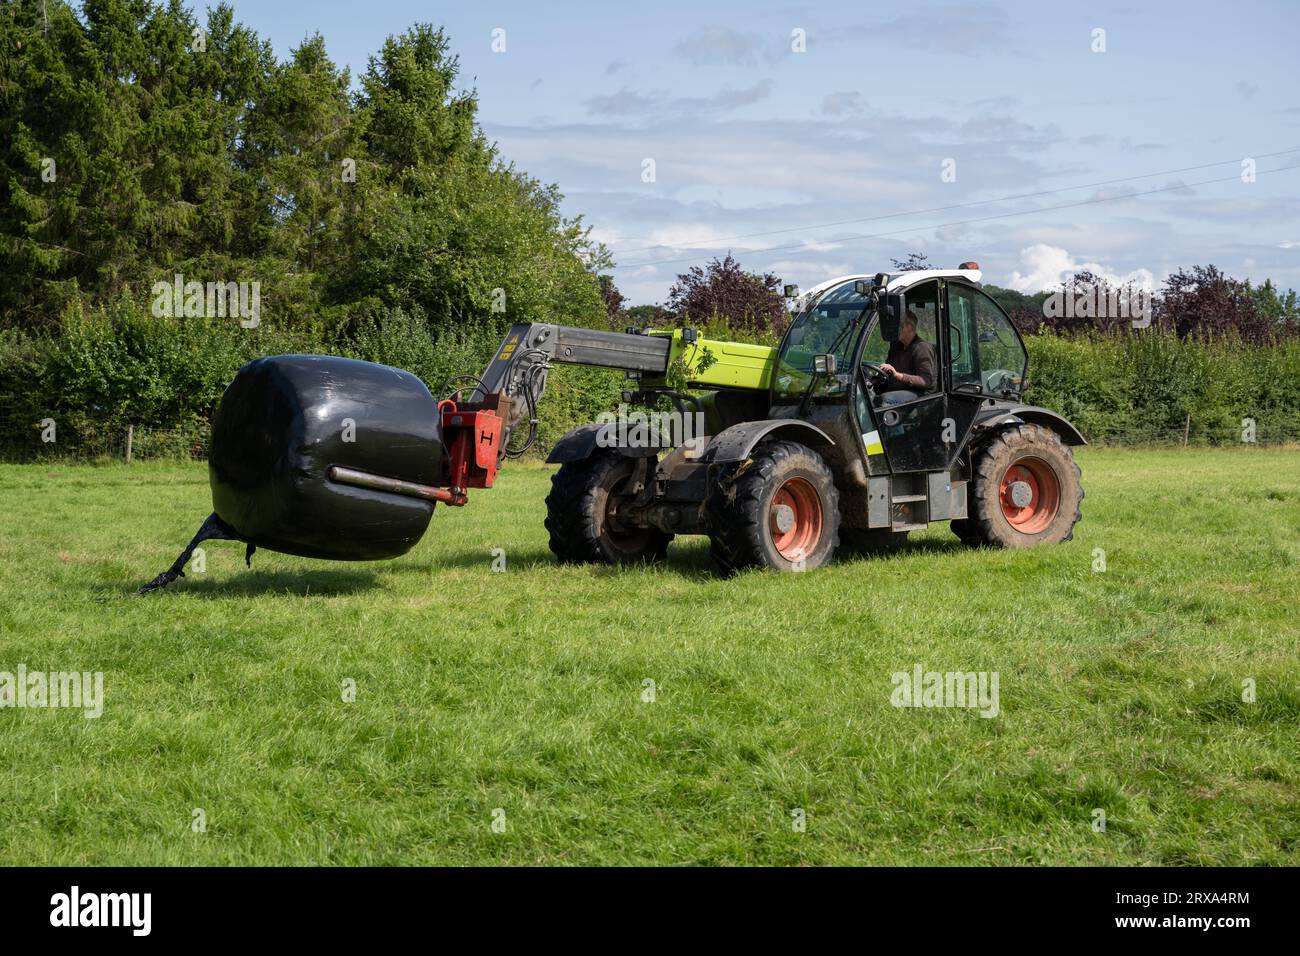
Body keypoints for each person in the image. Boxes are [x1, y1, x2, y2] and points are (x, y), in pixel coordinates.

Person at [877, 310, 937, 406]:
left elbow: (926, 381)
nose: (894, 329)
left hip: (920, 396)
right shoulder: (896, 346)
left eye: (898, 326)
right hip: (899, 390)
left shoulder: (922, 348)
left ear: (909, 327)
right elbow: (889, 372)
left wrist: (898, 375)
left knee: (887, 399)